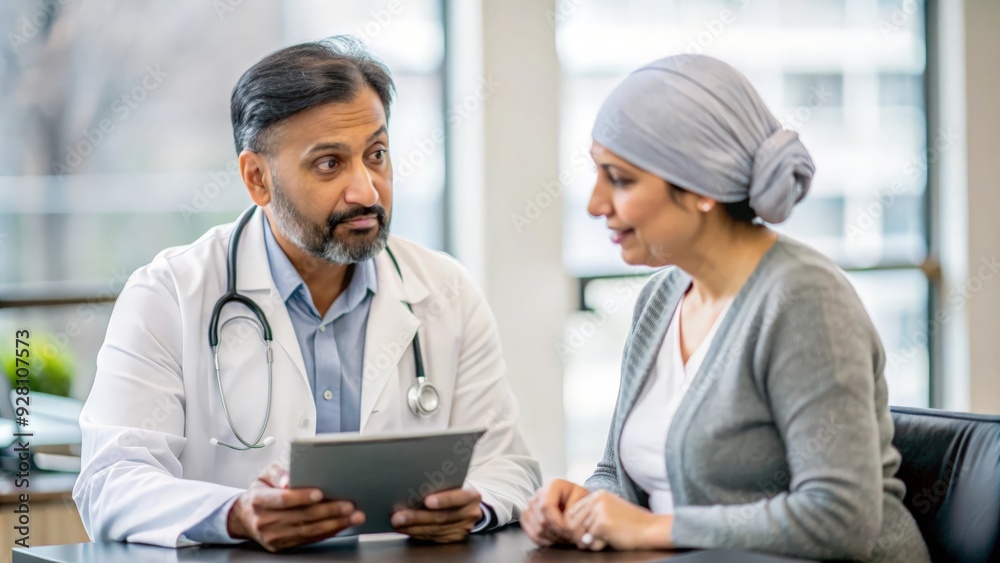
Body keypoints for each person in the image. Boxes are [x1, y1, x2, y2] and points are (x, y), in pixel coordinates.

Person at [73, 36, 540, 552]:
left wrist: (475, 502)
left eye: (377, 154)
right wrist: (235, 514)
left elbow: (510, 466)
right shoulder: (168, 297)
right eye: (329, 164)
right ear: (257, 179)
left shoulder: (445, 291)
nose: (366, 190)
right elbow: (109, 483)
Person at [520, 54, 930, 562]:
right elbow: (620, 472)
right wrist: (586, 503)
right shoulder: (661, 298)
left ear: (699, 188)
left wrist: (654, 529)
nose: (595, 203)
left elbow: (839, 518)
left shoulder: (806, 301)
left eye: (619, 179)